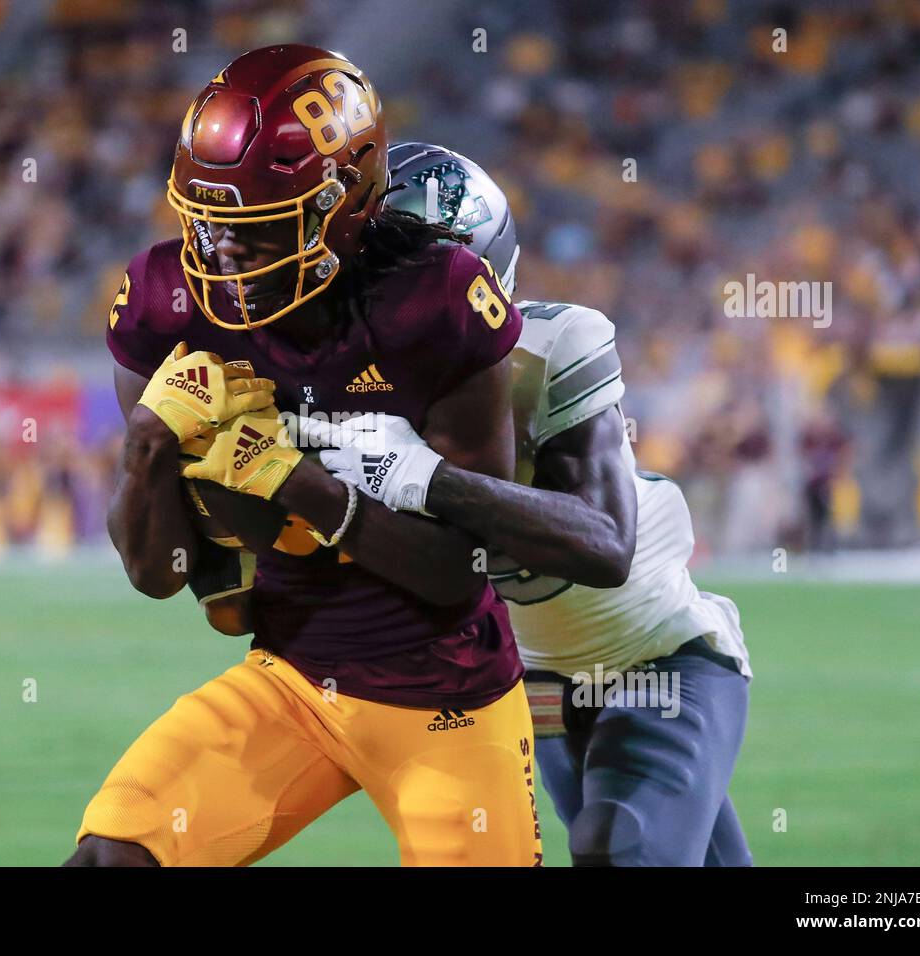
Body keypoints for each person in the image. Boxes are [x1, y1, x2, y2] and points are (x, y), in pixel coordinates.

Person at [68, 46, 542, 866]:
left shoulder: (435, 303)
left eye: (253, 229)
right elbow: (159, 573)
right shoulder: (165, 300)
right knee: (113, 856)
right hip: (293, 680)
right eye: (209, 222)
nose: (220, 254)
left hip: (448, 701)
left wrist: (293, 479)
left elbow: (458, 572)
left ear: (343, 207)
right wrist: (148, 447)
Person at [304, 143, 753, 866]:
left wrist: (422, 477)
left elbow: (604, 544)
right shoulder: (337, 384)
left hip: (658, 657)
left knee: (619, 848)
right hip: (535, 686)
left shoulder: (552, 344)